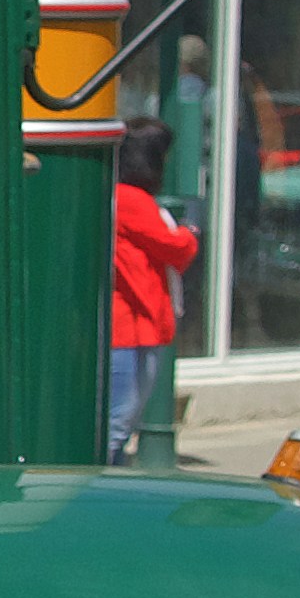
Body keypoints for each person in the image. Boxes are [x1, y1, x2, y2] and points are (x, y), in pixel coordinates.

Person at [106, 119, 200, 461]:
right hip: (129, 325)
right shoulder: (132, 199)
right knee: (118, 422)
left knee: (121, 421)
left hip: (136, 324)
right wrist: (190, 232)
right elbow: (176, 247)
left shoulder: (123, 197)